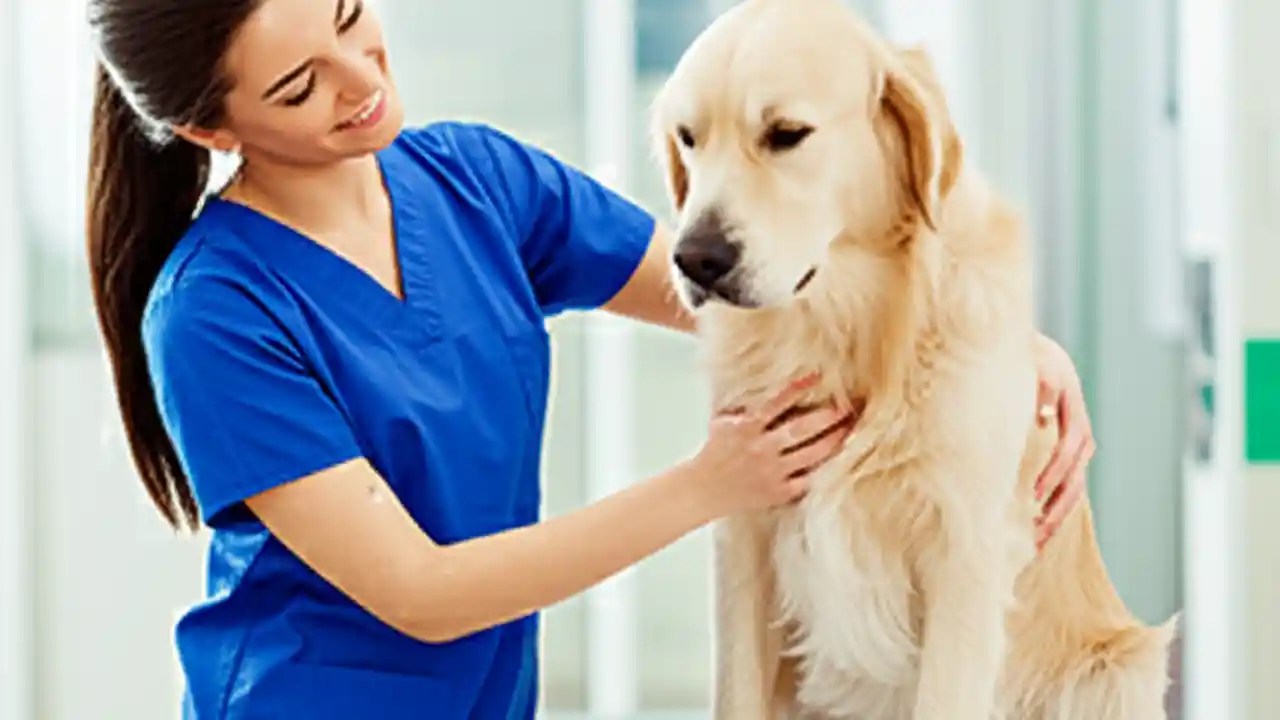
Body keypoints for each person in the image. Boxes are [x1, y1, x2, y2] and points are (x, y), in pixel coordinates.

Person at [84, 0, 1097, 717]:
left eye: (350, 16)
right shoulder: (215, 313)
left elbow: (754, 288)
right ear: (207, 126)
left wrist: (1001, 345)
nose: (361, 84)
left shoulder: (472, 182)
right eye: (303, 86)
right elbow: (419, 593)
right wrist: (709, 484)